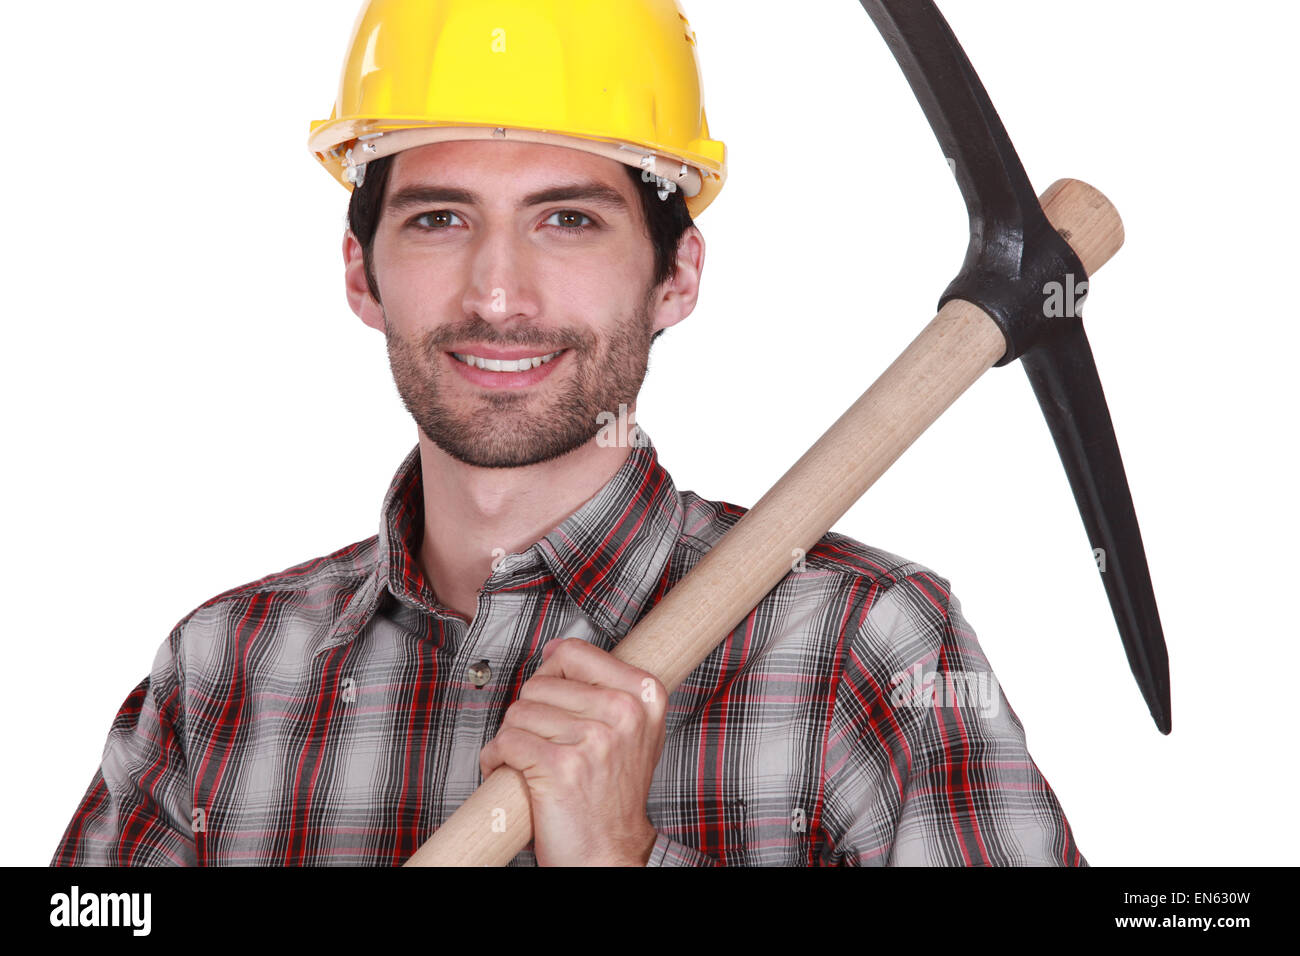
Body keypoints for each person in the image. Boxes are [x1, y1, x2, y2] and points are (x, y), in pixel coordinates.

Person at [51, 0, 1085, 867]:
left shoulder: (871, 647)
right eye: (439, 219)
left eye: (569, 219)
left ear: (676, 275)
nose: (498, 295)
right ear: (362, 274)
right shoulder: (221, 674)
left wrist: (622, 857)